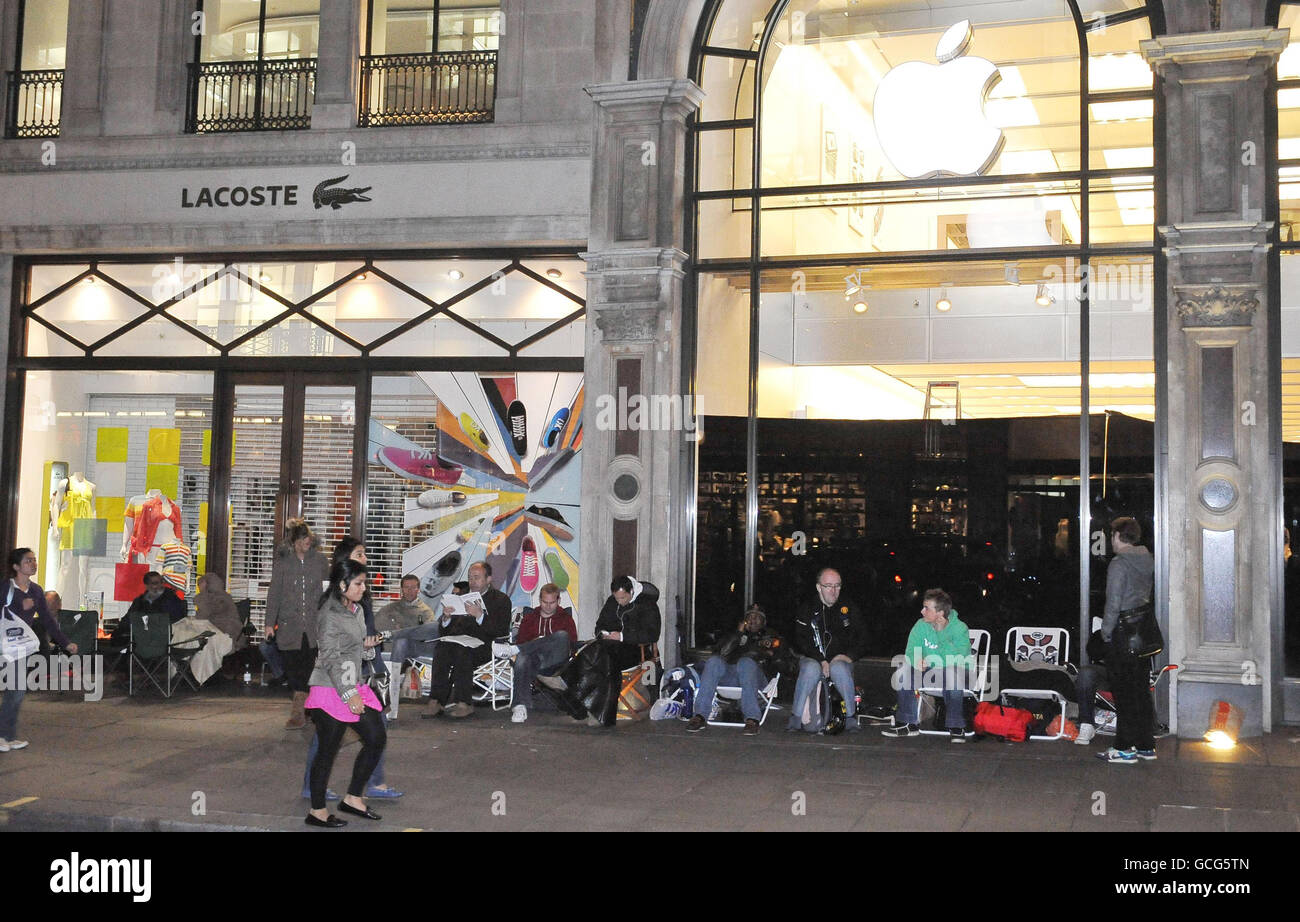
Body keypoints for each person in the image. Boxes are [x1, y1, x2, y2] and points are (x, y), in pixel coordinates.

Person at [303, 557, 387, 828]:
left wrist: (368, 647)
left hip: (352, 683)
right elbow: (330, 657)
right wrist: (348, 693)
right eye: (359, 583)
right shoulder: (329, 614)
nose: (364, 588)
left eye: (364, 583)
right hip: (330, 688)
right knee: (328, 750)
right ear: (342, 584)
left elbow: (353, 649)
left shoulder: (356, 609)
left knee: (376, 737)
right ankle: (317, 811)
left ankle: (352, 797)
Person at [553, 576, 661, 727]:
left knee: (603, 657)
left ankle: (568, 682)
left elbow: (652, 634)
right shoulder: (612, 601)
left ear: (632, 591)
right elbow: (600, 624)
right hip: (609, 648)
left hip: (635, 650)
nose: (619, 601)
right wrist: (603, 633)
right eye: (616, 598)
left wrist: (622, 636)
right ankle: (600, 715)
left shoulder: (647, 603)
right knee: (605, 658)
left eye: (623, 598)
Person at [3, 548, 78, 752]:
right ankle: (4, 735)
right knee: (16, 690)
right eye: (28, 561)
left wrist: (65, 642)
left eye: (34, 560)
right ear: (16, 566)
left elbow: (47, 619)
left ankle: (7, 736)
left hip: (20, 646)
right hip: (6, 645)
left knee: (16, 690)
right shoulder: (6, 589)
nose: (33, 564)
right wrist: (19, 608)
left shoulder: (36, 590)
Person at [1096, 516, 1156, 764]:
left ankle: (1123, 746)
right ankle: (1145, 744)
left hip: (1122, 634)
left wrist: (1105, 633)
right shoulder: (1147, 559)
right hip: (1142, 633)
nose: (1110, 540)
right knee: (1140, 690)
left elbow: (1114, 602)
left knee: (1123, 692)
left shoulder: (1119, 564)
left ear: (1118, 536)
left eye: (1111, 535)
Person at [421, 561, 510, 719]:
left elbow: (501, 631)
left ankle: (464, 702)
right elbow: (444, 630)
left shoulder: (501, 600)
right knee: (441, 647)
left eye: (477, 577)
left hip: (485, 646)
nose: (472, 582)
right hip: (458, 641)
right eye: (470, 577)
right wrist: (446, 618)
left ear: (488, 579)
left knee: (463, 651)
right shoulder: (460, 596)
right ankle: (436, 700)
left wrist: (480, 616)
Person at [881, 588, 973, 742]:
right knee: (903, 669)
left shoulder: (959, 628)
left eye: (926, 608)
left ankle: (956, 726)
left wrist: (941, 634)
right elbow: (910, 650)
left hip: (954, 672)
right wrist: (917, 660)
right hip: (929, 672)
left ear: (940, 613)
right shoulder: (920, 625)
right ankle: (908, 723)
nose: (922, 611)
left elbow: (959, 659)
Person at [265, 520, 330, 730]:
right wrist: (269, 623)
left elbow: (328, 589)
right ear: (294, 542)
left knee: (310, 666)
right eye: (302, 539)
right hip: (288, 624)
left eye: (309, 538)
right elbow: (274, 594)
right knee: (293, 668)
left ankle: (299, 711)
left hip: (314, 623)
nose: (307, 542)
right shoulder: (283, 562)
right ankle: (305, 707)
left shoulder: (320, 561)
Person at [686, 604, 785, 736]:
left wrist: (759, 645)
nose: (752, 619)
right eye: (750, 616)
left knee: (746, 663)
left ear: (763, 621)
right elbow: (721, 653)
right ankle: (700, 715)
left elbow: (774, 658)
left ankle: (752, 718)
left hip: (756, 679)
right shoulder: (736, 635)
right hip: (733, 677)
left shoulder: (770, 636)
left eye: (757, 617)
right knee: (714, 661)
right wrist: (738, 634)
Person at [787, 568, 865, 732]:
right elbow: (800, 640)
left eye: (837, 586)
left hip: (840, 660)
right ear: (818, 587)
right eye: (828, 586)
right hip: (813, 658)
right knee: (809, 668)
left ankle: (851, 718)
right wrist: (820, 660)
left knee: (839, 668)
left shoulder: (848, 607)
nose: (833, 591)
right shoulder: (807, 608)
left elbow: (863, 637)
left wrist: (848, 656)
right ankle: (796, 716)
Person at [502, 583, 576, 724]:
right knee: (523, 657)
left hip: (557, 661)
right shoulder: (530, 618)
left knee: (561, 636)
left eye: (552, 602)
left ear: (558, 601)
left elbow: (570, 644)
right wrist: (535, 644)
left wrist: (541, 643)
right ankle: (519, 706)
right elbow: (522, 639)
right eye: (544, 602)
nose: (548, 606)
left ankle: (517, 649)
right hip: (534, 662)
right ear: (539, 600)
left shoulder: (565, 618)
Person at [377, 573, 438, 719]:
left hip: (418, 649)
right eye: (406, 587)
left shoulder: (426, 611)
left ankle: (398, 634)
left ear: (418, 590)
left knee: (431, 628)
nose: (410, 591)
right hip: (395, 650)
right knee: (401, 640)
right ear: (401, 590)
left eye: (413, 588)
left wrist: (400, 631)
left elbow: (428, 635)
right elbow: (377, 627)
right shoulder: (390, 609)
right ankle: (393, 705)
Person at [180, 572, 246, 685]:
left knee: (197, 642)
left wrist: (203, 592)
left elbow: (203, 616)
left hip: (226, 635)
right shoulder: (223, 596)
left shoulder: (219, 599)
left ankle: (201, 675)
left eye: (200, 585)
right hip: (217, 632)